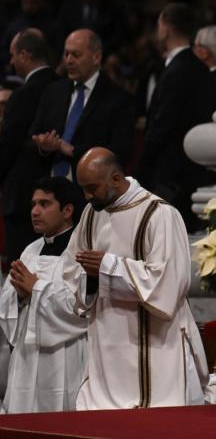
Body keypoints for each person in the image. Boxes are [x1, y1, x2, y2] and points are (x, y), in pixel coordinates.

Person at [62, 147, 216, 409]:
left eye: (93, 188)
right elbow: (70, 271)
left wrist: (109, 266)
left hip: (155, 344)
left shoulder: (159, 215)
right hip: (106, 345)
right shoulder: (91, 215)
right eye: (83, 189)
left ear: (115, 178)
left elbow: (169, 283)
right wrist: (90, 277)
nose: (87, 196)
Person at [0, 177, 87, 413]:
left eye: (45, 204)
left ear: (67, 210)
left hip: (65, 355)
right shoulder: (31, 249)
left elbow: (82, 309)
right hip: (27, 356)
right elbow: (6, 301)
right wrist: (17, 297)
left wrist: (36, 288)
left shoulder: (82, 251)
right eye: (33, 204)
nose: (35, 211)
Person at [136, 3, 216, 233]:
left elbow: (162, 126)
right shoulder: (199, 68)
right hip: (192, 173)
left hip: (170, 178)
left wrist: (141, 170)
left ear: (166, 29)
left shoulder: (176, 70)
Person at [29, 28, 135, 180]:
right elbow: (32, 135)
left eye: (76, 55)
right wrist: (44, 145)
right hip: (49, 185)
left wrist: (73, 150)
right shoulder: (53, 91)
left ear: (96, 57)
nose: (69, 61)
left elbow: (121, 151)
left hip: (91, 189)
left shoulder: (119, 99)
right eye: (66, 54)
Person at [0, 28, 57, 263]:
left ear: (24, 54)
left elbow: (8, 147)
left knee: (21, 266)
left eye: (13, 55)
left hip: (23, 196)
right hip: (57, 192)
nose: (11, 61)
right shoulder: (63, 86)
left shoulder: (24, 94)